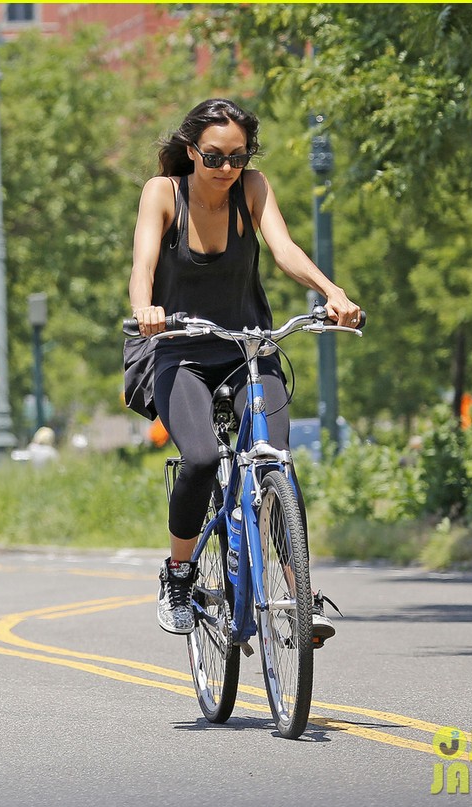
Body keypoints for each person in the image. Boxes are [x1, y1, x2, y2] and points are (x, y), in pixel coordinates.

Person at [128, 98, 361, 639]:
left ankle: (300, 597)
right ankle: (180, 575)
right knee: (204, 456)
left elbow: (283, 249)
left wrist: (332, 292)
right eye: (213, 158)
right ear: (191, 152)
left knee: (275, 460)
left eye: (238, 157)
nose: (226, 169)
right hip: (182, 351)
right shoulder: (164, 194)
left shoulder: (251, 189)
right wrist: (146, 309)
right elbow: (142, 263)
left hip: (249, 350)